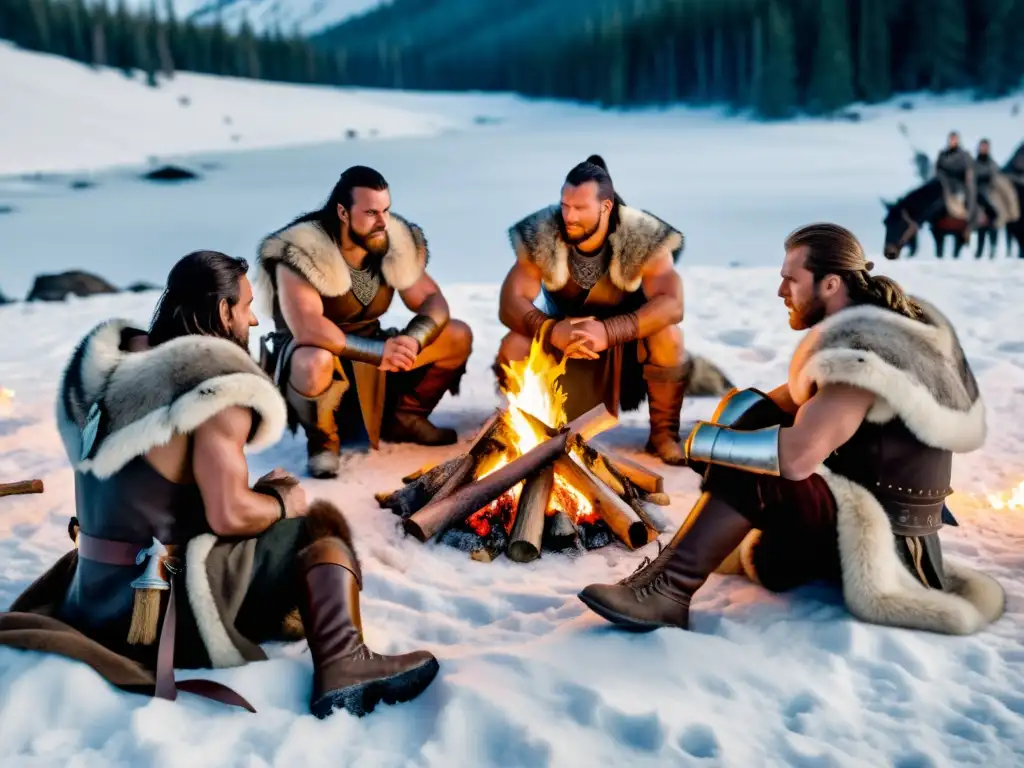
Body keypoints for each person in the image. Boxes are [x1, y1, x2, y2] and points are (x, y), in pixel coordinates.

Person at [0, 251, 439, 718]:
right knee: (319, 527)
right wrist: (280, 502)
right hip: (157, 608)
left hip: (93, 594)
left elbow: (154, 490)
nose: (253, 319)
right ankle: (345, 662)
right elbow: (228, 515)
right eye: (246, 306)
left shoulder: (107, 364)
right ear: (223, 310)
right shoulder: (211, 383)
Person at [578, 223, 1006, 636]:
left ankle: (668, 590)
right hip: (876, 517)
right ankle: (664, 577)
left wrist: (707, 444)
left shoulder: (863, 357)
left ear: (831, 284)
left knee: (763, 463)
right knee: (753, 419)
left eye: (792, 280)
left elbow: (797, 458)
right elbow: (781, 403)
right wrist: (735, 423)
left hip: (879, 544)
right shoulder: (883, 329)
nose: (782, 291)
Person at [255, 166, 473, 478]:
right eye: (371, 212)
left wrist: (414, 339)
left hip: (373, 347)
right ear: (343, 212)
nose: (383, 222)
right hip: (310, 351)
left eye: (386, 210)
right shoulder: (301, 250)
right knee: (314, 359)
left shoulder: (390, 242)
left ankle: (405, 418)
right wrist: (376, 352)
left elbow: (431, 299)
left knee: (456, 335)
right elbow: (308, 327)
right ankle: (323, 442)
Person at [496, 155, 705, 466]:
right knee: (514, 343)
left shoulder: (642, 236)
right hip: (565, 343)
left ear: (606, 207)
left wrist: (610, 331)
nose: (569, 216)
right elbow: (510, 302)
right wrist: (551, 330)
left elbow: (672, 304)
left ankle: (663, 434)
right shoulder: (543, 233)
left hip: (628, 348)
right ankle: (523, 429)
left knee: (669, 337)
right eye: (565, 206)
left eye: (580, 208)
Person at [934, 131, 978, 233]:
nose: (952, 141)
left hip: (959, 185)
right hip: (944, 183)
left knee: (964, 196)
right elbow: (938, 169)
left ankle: (966, 219)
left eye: (954, 139)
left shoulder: (964, 155)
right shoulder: (943, 155)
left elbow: (968, 170)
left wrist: (966, 176)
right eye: (951, 139)